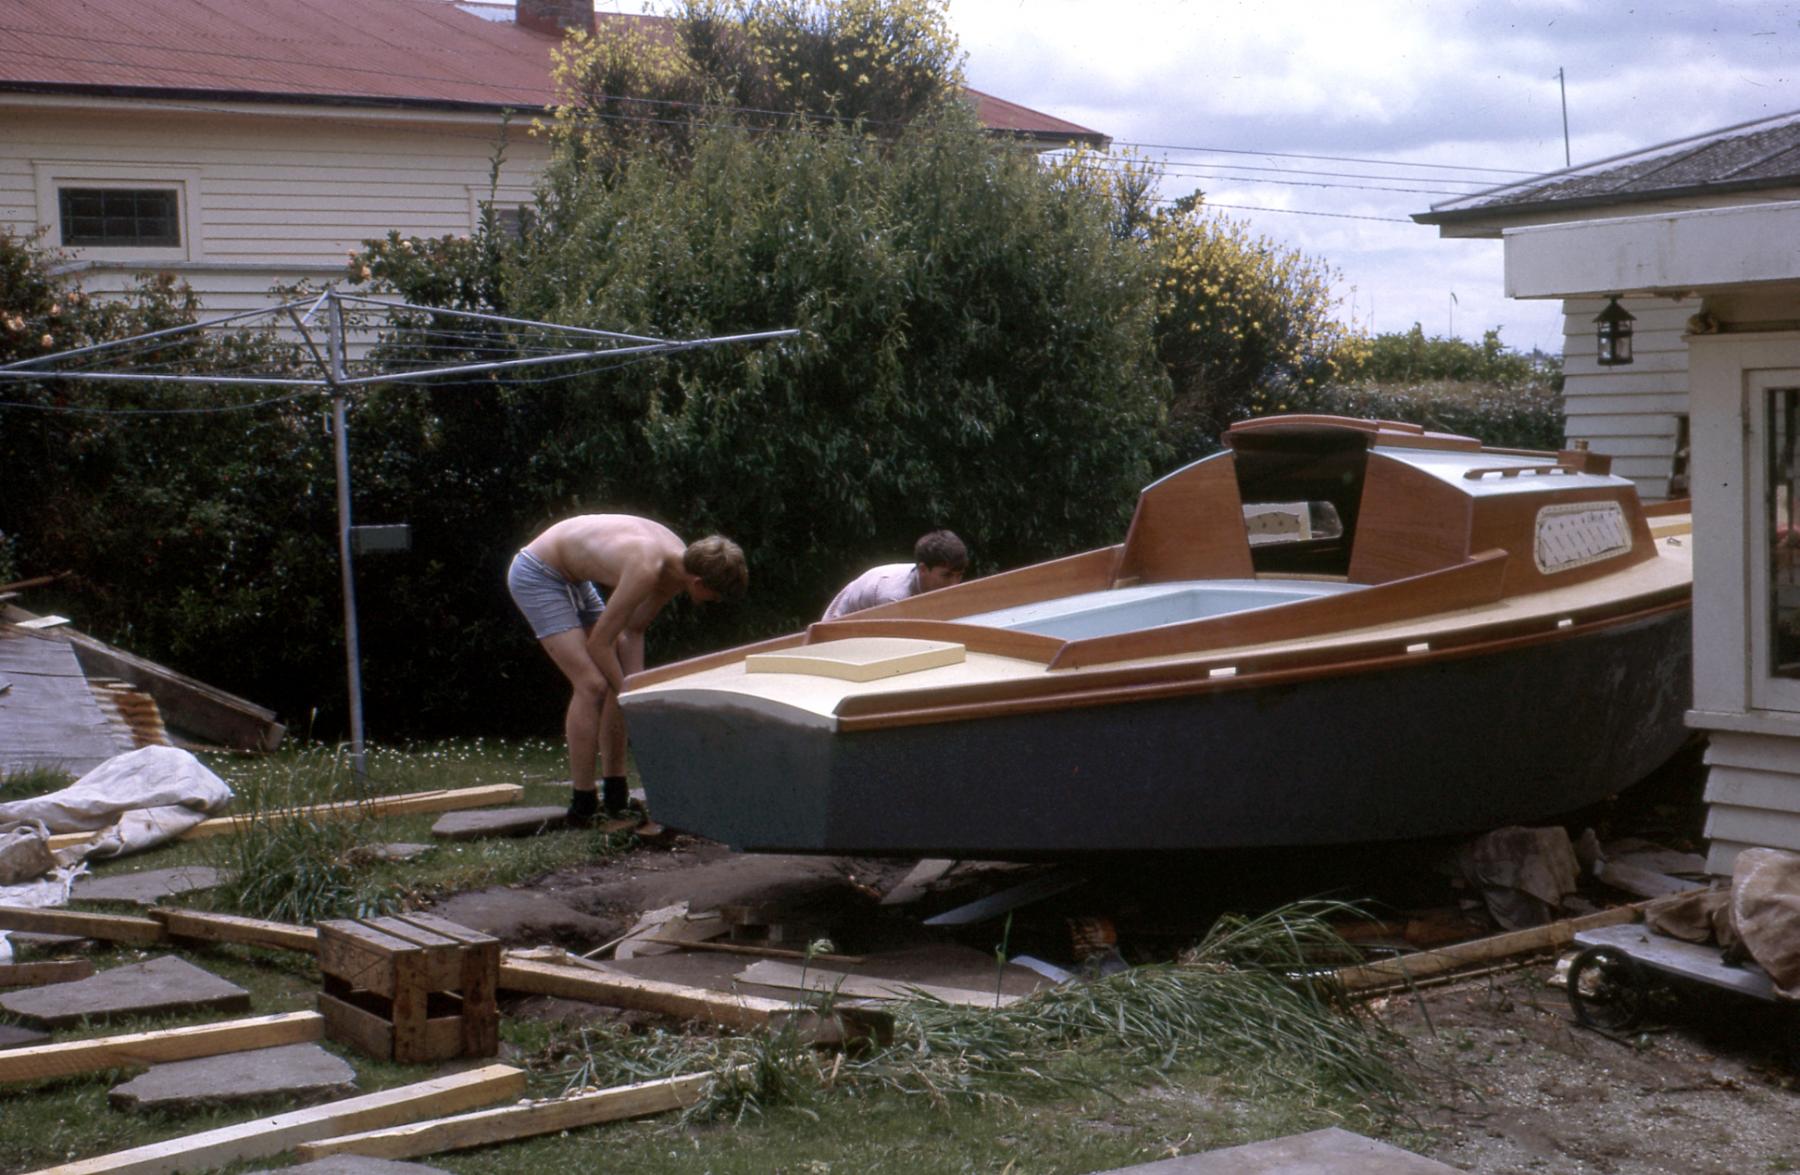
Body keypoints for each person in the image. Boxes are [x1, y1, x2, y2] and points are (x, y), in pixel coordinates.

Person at [507, 515, 746, 826]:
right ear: (699, 583)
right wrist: (627, 690)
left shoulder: (679, 567)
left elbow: (632, 631)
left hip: (573, 579)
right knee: (592, 685)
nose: (715, 603)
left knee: (620, 688)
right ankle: (582, 807)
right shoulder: (646, 568)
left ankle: (616, 796)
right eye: (716, 596)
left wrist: (635, 690)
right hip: (538, 573)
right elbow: (599, 645)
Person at [822, 529, 967, 621]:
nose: (954, 584)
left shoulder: (932, 581)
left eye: (959, 576)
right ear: (923, 569)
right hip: (837, 629)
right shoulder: (893, 596)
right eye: (946, 576)